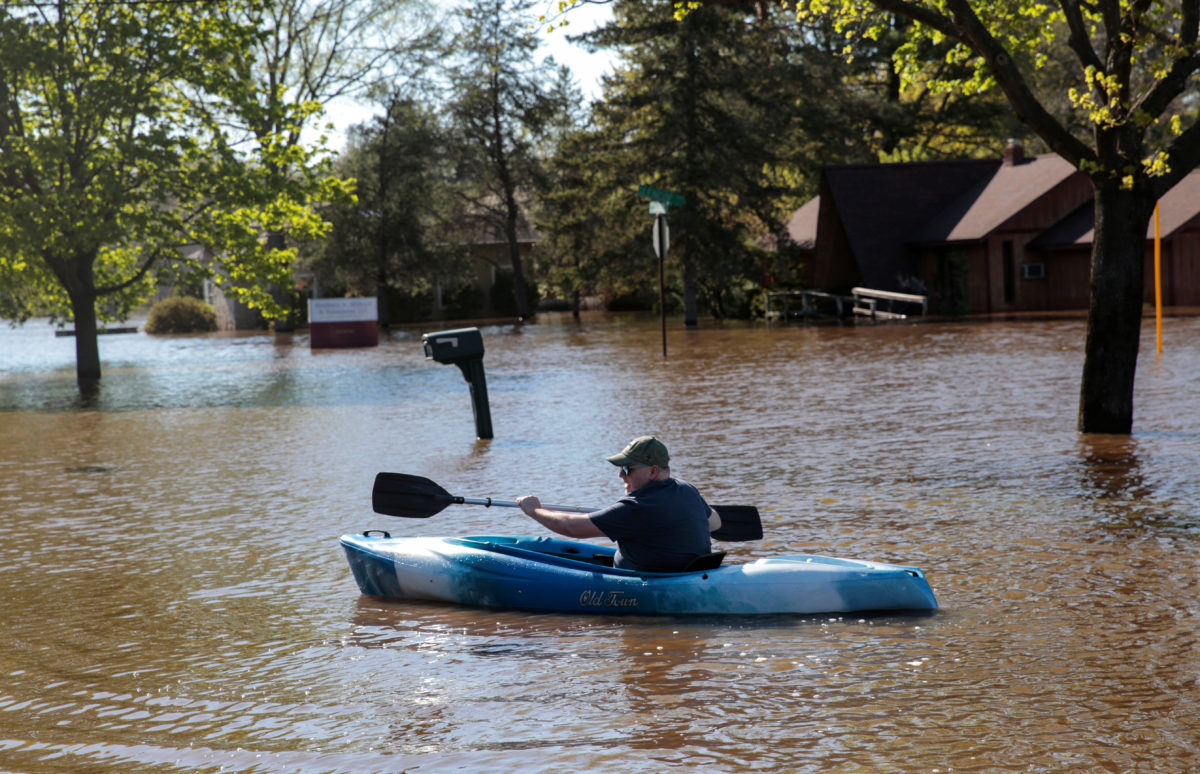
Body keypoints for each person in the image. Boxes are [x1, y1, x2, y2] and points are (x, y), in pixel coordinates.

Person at [517, 435, 721, 572]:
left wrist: (534, 510)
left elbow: (569, 526)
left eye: (628, 468)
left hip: (650, 583)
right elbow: (715, 524)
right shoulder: (687, 489)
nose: (621, 475)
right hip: (687, 573)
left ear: (652, 471)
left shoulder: (637, 507)